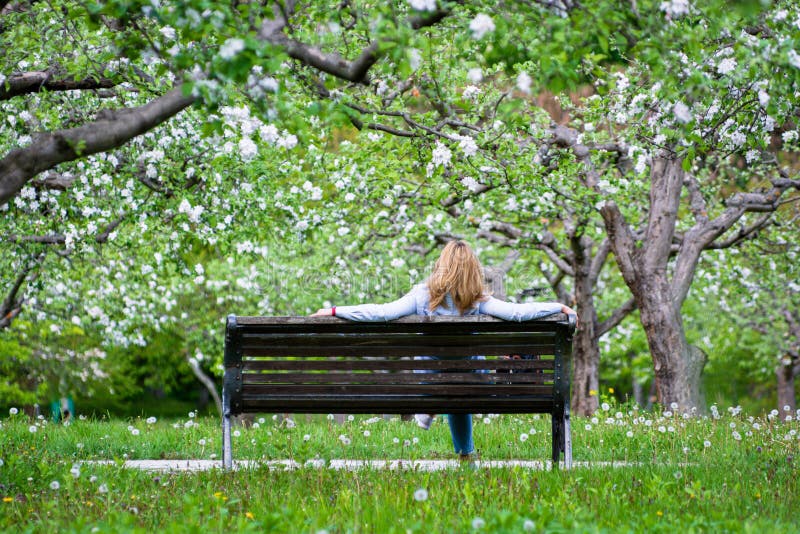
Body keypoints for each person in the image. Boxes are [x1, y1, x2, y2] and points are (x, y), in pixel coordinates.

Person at [311, 240, 577, 460]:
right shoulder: (479, 300)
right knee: (462, 379)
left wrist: (334, 311)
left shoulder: (421, 295)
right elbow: (517, 313)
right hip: (472, 383)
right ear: (473, 269)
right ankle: (465, 455)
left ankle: (433, 404)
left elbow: (381, 313)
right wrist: (556, 307)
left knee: (449, 378)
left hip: (428, 380)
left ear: (440, 266)